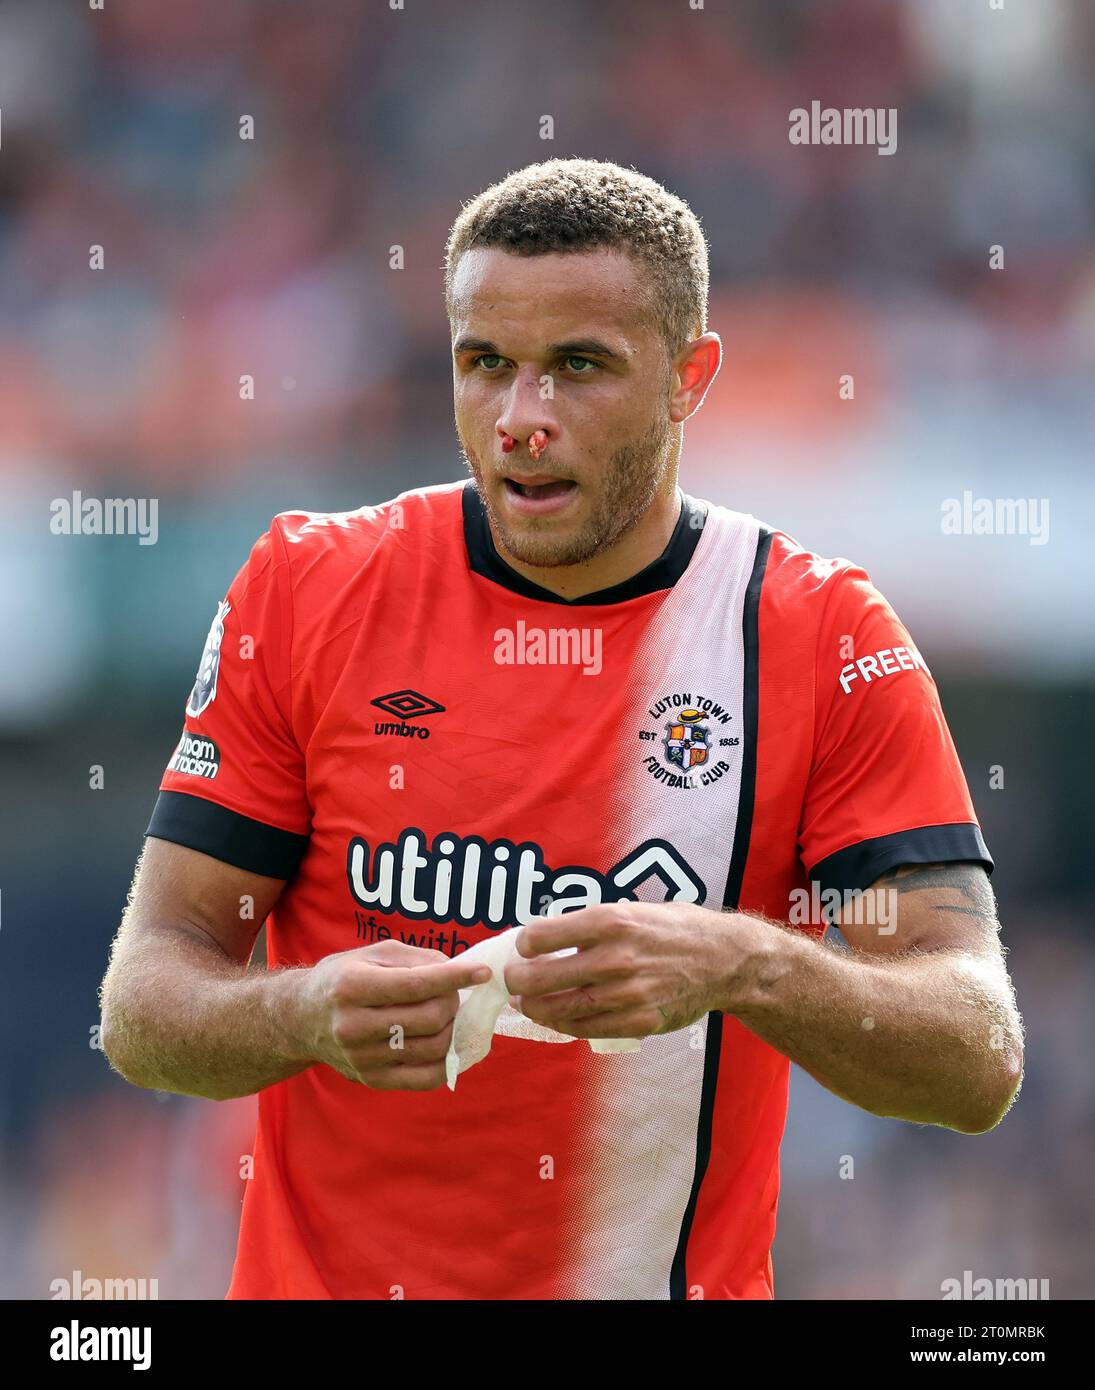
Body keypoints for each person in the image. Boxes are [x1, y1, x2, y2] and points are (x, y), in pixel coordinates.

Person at [99, 158, 1023, 1300]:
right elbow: (144, 1004)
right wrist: (300, 1011)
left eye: (578, 368)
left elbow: (977, 1054)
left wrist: (745, 962)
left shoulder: (821, 635)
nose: (521, 419)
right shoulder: (305, 588)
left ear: (690, 377)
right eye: (486, 365)